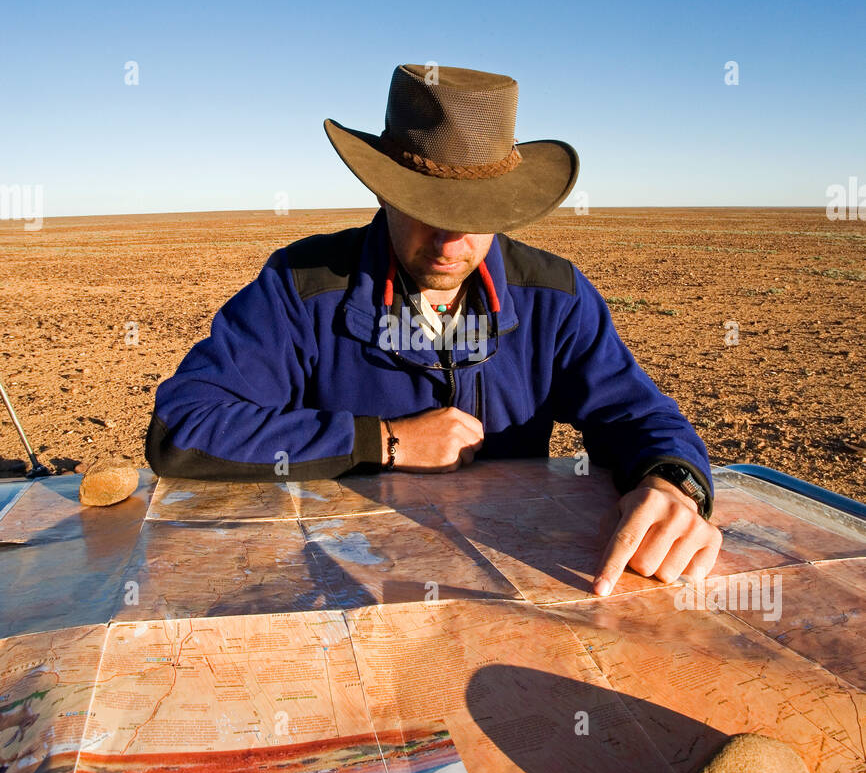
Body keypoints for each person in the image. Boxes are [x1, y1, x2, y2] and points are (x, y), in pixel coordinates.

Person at [146, 63, 722, 596]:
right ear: (383, 191)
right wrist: (383, 441)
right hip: (340, 582)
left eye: (476, 215)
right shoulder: (302, 287)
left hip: (504, 590)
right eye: (428, 209)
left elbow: (639, 416)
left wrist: (673, 484)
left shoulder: (556, 297)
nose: (451, 243)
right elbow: (187, 425)